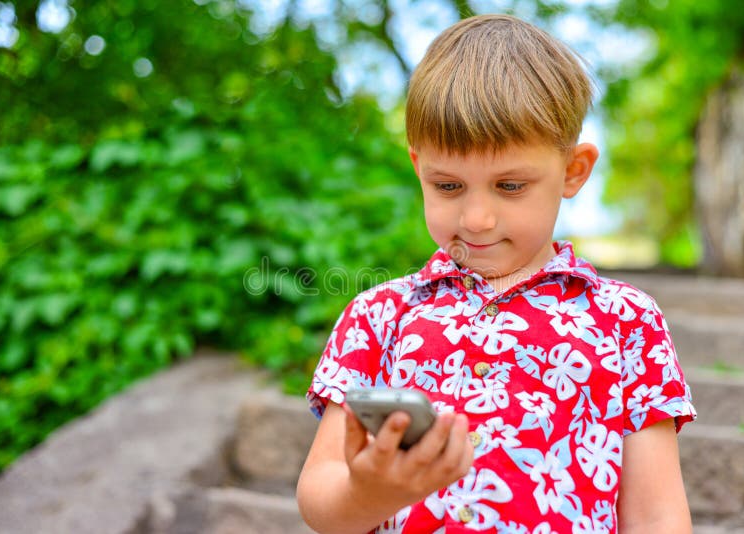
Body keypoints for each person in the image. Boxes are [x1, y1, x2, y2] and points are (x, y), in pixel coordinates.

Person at [297, 13, 696, 534]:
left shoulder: (626, 322)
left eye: (509, 186)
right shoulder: (379, 317)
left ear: (574, 171)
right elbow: (319, 497)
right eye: (448, 186)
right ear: (419, 168)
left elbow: (657, 514)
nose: (476, 219)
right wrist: (366, 494)